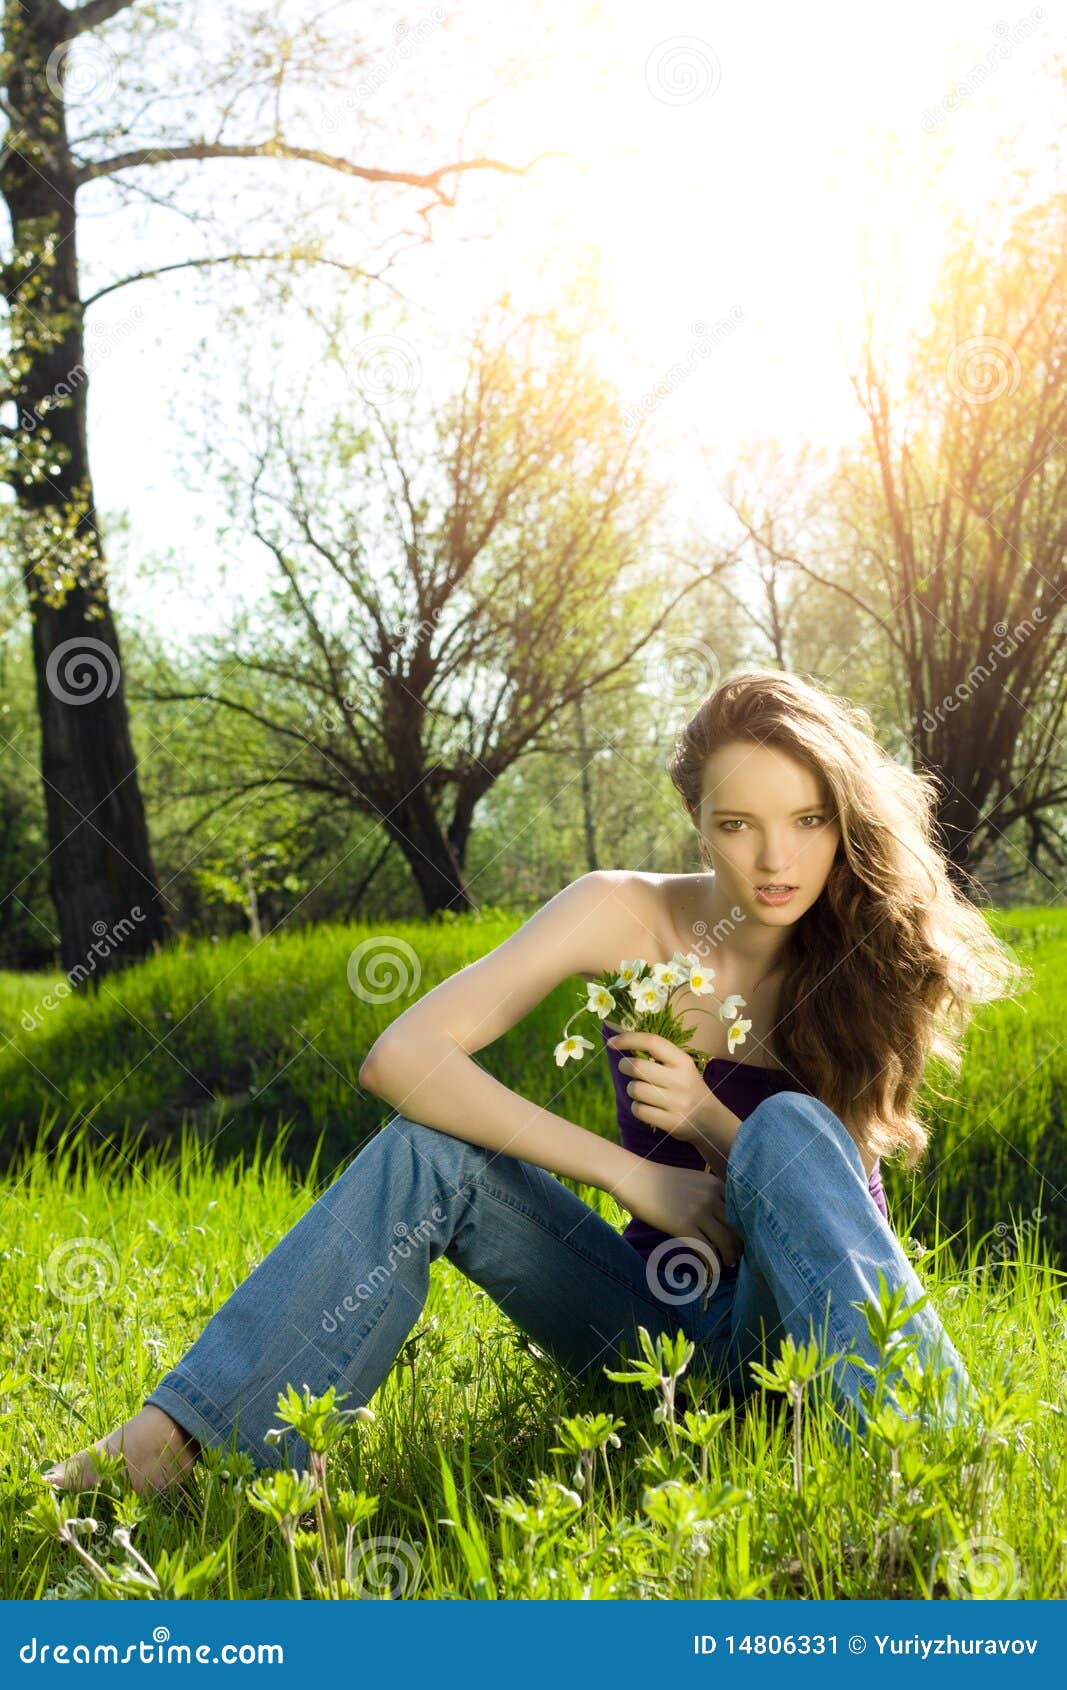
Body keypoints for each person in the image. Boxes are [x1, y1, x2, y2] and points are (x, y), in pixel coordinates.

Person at [45, 669, 1024, 1494]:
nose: (774, 859)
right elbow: (403, 1058)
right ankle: (180, 1446)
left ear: (839, 818)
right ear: (694, 822)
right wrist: (633, 1177)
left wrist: (709, 1122)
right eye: (737, 824)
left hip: (808, 1350)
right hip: (653, 1335)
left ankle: (925, 1463)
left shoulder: (868, 946)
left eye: (807, 820)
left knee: (788, 1128)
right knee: (430, 1150)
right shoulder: (622, 912)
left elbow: (839, 1214)